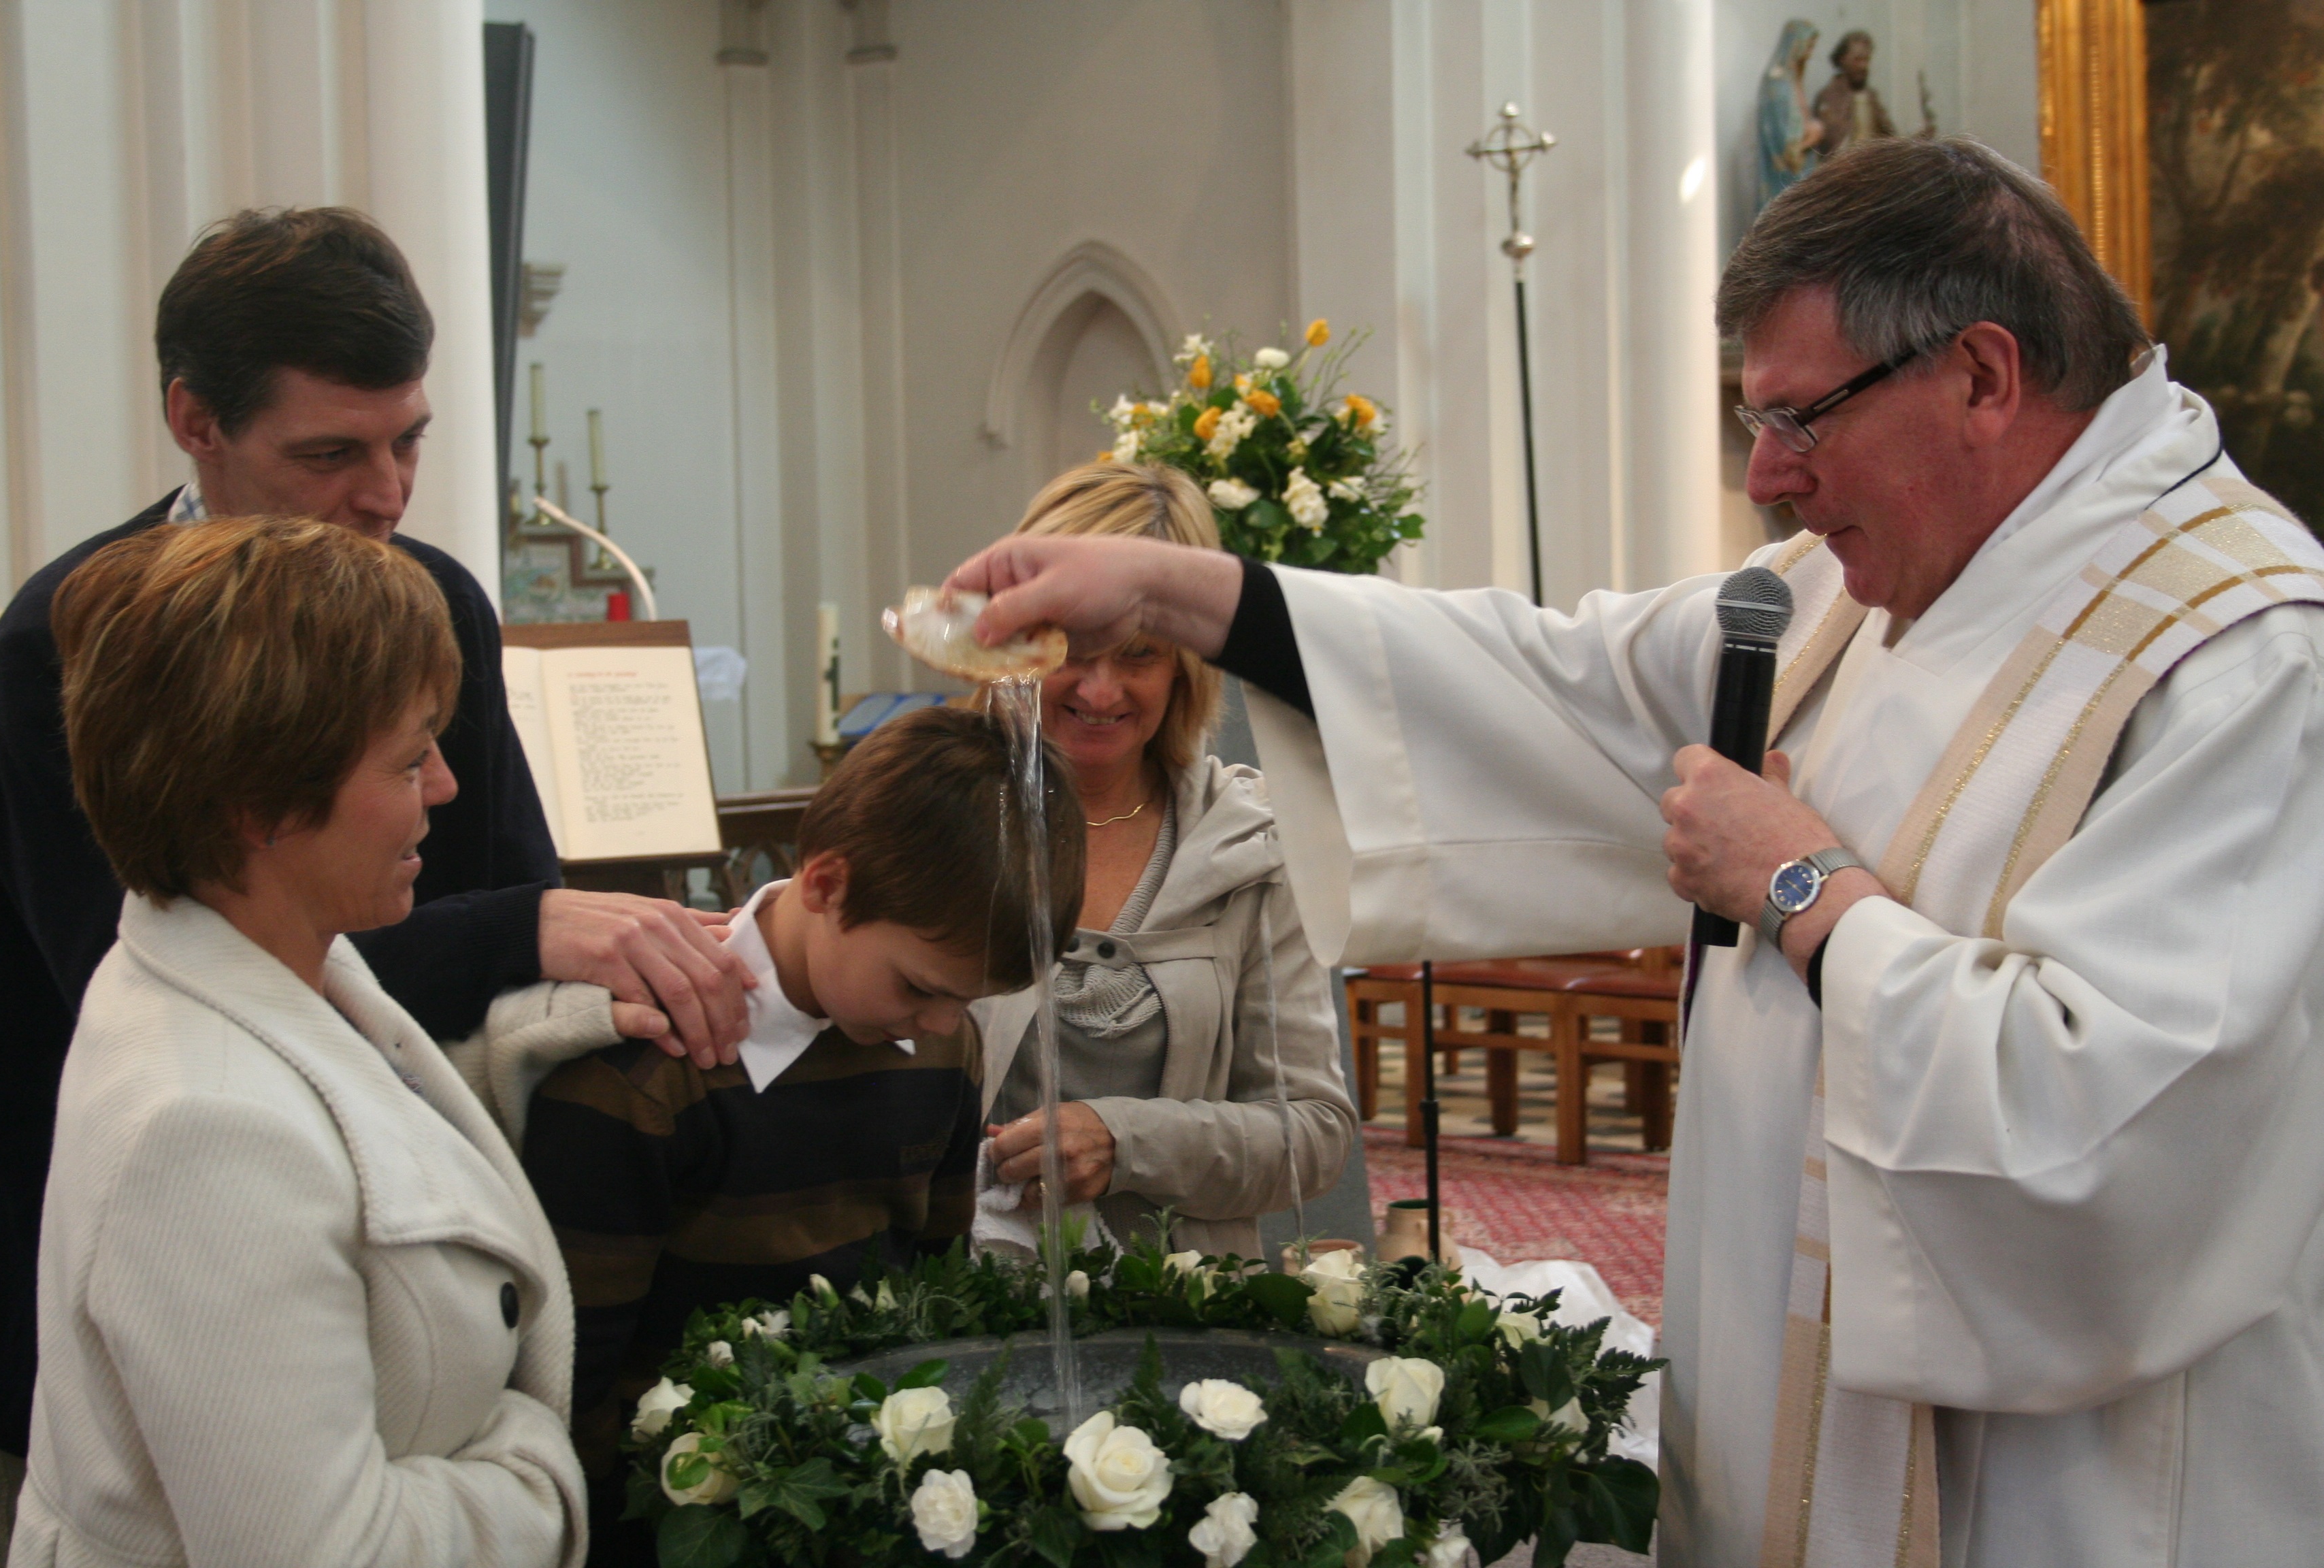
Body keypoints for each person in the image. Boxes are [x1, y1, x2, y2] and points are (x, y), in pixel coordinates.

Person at [949, 137, 2324, 1567]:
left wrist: (1802, 888)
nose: (1768, 478)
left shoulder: (2232, 662)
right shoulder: (1854, 601)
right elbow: (1551, 683)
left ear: (1981, 376)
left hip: (2070, 1491)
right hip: (1781, 1406)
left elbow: (2114, 1127)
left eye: (1801, 418)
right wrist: (1173, 589)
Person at [0, 207, 753, 1529]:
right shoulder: (77, 639)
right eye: (331, 453)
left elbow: (511, 936)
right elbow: (179, 960)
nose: (385, 495)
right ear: (195, 420)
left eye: (409, 444)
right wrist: (529, 931)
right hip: (142, 1294)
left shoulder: (433, 598)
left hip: (398, 1261)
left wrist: (620, 987)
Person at [16, 517, 647, 1566]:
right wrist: (535, 1469)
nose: (443, 786)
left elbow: (374, 1122)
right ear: (261, 806)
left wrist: (586, 1025)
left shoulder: (279, 958)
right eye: (408, 758)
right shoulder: (201, 1133)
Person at [517, 706, 1085, 1566]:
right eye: (918, 986)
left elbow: (934, 1299)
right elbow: (570, 1388)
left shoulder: (942, 1043)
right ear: (826, 885)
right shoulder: (645, 1070)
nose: (939, 1021)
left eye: (964, 1001)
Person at [975, 463, 1355, 1262]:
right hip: (958, 1307)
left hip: (1183, 1314)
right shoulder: (943, 816)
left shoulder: (1251, 843)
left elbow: (1314, 1133)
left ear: (1186, 665)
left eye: (1140, 654)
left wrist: (1125, 1141)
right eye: (1073, 648)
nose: (1102, 689)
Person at [1757, 19, 1824, 209]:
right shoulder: (1777, 85)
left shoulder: (1793, 80)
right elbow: (1783, 144)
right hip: (1785, 176)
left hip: (1804, 170)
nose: (1810, 54)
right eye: (1808, 47)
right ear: (1796, 44)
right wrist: (1814, 134)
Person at [1812, 31, 1898, 161]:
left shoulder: (1871, 97)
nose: (1863, 66)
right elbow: (1830, 143)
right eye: (1857, 60)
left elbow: (1890, 136)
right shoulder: (1828, 97)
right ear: (1842, 59)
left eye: (1867, 60)